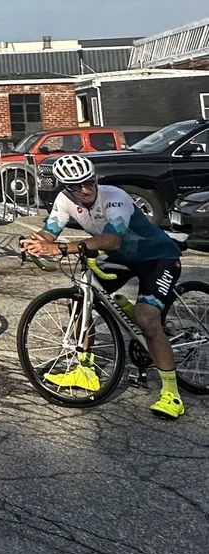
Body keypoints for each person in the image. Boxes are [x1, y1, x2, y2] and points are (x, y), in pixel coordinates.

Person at [23, 153, 189, 418]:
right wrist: (34, 242)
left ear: (95, 177)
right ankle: (85, 370)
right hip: (122, 259)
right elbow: (49, 231)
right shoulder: (65, 200)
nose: (85, 189)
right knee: (78, 302)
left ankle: (172, 393)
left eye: (88, 181)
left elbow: (111, 240)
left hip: (158, 258)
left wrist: (61, 248)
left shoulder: (115, 197)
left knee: (147, 320)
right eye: (76, 186)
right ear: (66, 187)